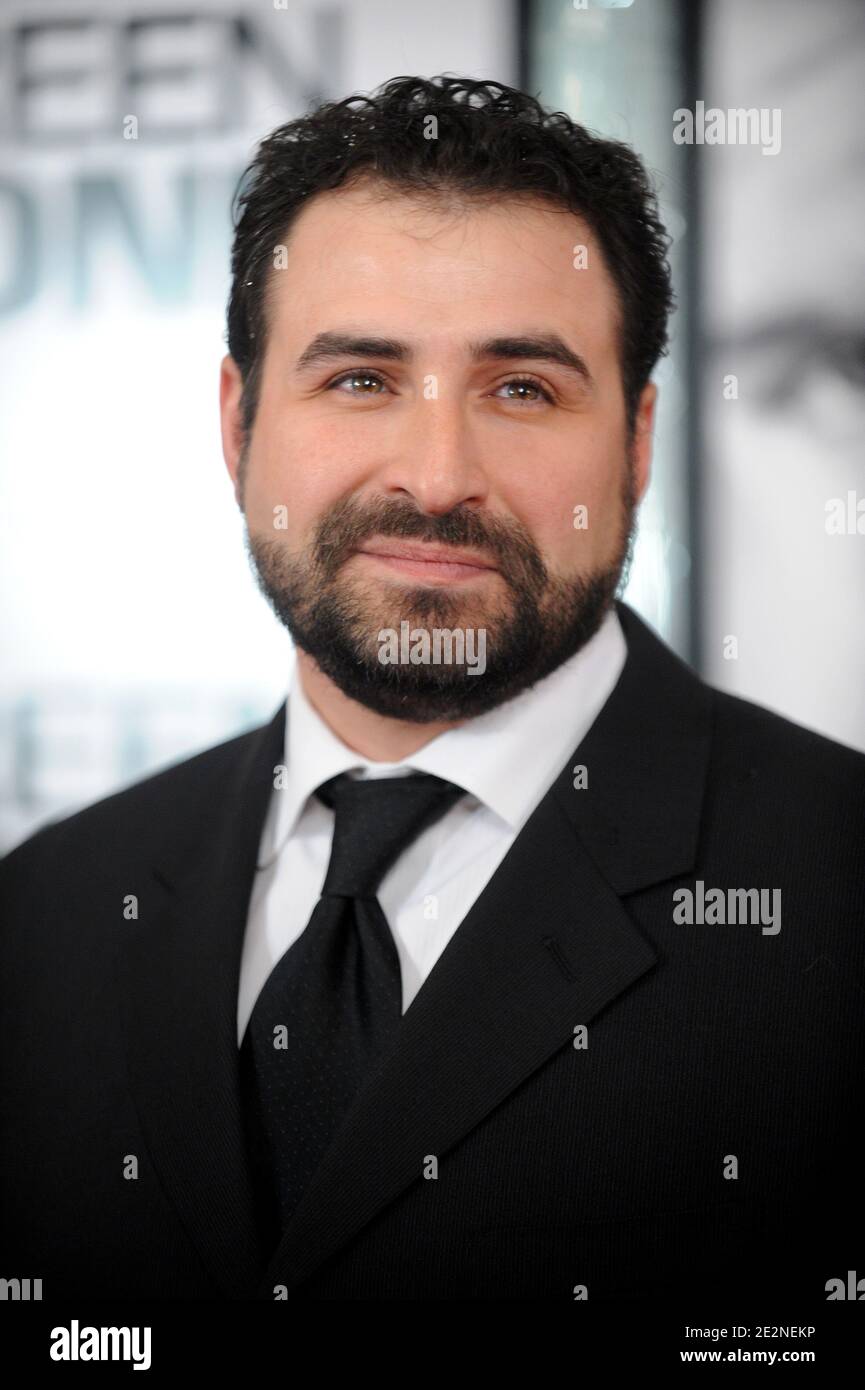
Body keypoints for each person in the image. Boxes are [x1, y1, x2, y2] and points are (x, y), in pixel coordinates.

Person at [1, 76, 862, 1303]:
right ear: (239, 425)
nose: (438, 475)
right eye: (359, 378)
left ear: (633, 443)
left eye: (522, 387)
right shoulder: (46, 913)